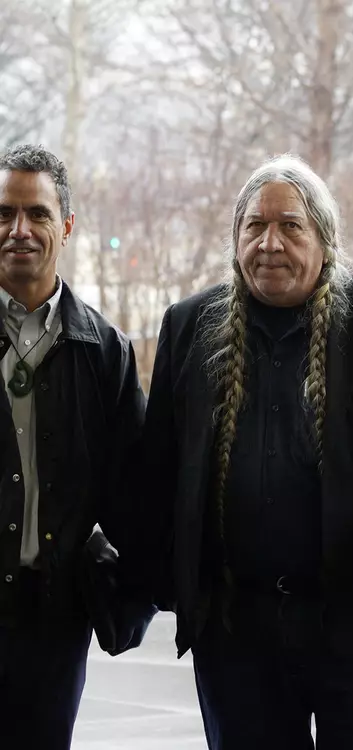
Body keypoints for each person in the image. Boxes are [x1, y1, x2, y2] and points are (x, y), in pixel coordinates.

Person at [136, 154, 353, 750]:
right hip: (238, 635)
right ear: (235, 240)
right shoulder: (188, 326)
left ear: (325, 239)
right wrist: (164, 580)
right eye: (254, 227)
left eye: (291, 226)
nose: (270, 243)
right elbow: (159, 469)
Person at [0, 144, 145, 749]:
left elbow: (133, 493)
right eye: (4, 213)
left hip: (52, 622)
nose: (19, 231)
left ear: (66, 226)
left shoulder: (104, 351)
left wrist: (130, 601)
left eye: (36, 214)